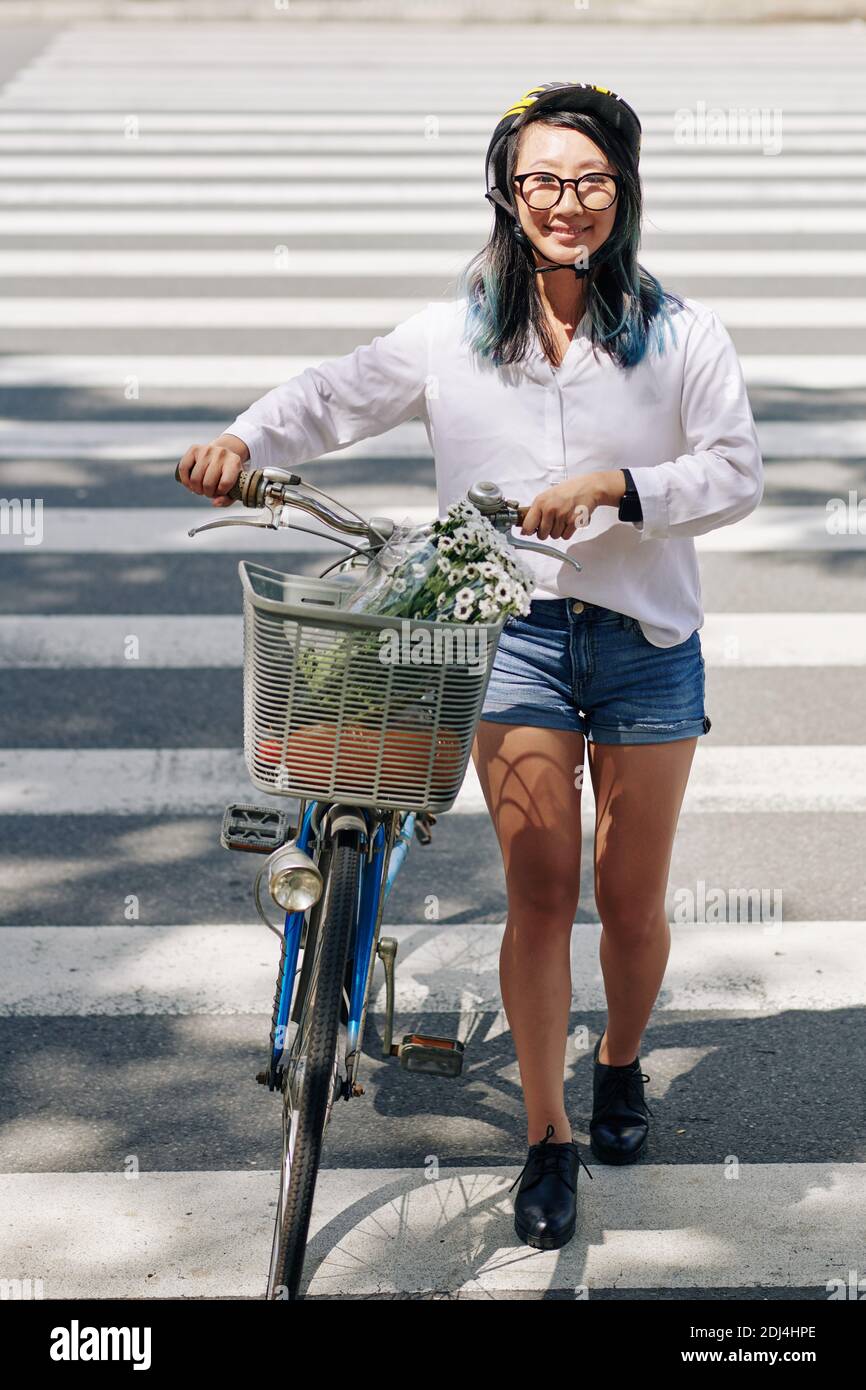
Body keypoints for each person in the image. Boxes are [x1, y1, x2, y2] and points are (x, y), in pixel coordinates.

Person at [176, 81, 763, 1254]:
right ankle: (546, 1137)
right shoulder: (455, 329)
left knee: (632, 902)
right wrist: (245, 439)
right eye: (541, 180)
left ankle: (618, 1062)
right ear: (506, 190)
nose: (565, 203)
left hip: (645, 643)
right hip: (512, 644)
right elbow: (334, 394)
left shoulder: (679, 332)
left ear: (622, 191)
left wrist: (620, 488)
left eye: (589, 181)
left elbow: (736, 470)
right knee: (540, 891)